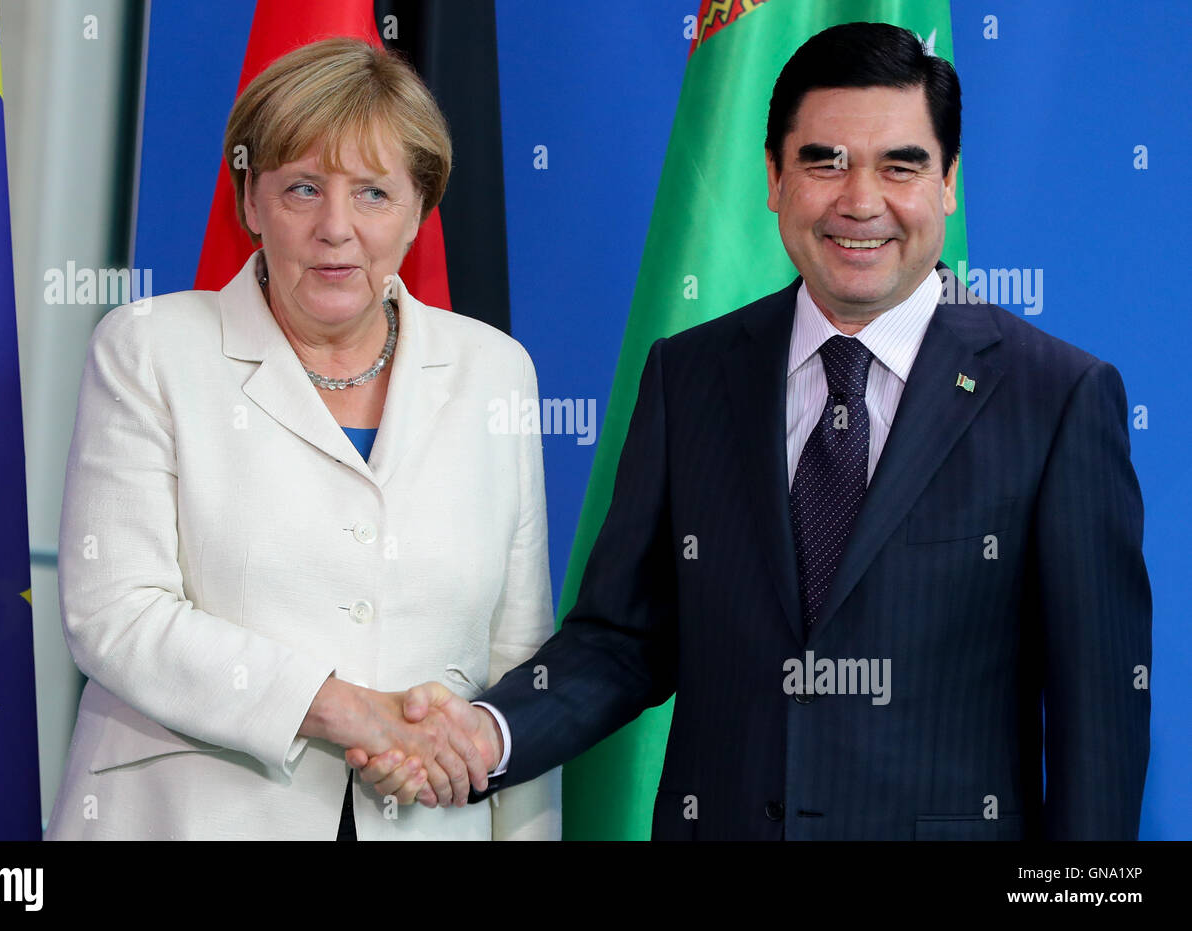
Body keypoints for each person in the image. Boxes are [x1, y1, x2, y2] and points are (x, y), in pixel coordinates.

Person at [350, 22, 1152, 840]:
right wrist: (488, 731)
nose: (860, 200)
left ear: (948, 182)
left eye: (900, 165)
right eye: (824, 160)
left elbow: (1099, 724)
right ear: (774, 177)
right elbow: (623, 638)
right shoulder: (689, 376)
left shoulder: (1057, 398)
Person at [44, 37, 560, 840]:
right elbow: (117, 610)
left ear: (420, 210)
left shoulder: (497, 371)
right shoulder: (148, 348)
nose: (335, 228)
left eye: (374, 194)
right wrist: (346, 710)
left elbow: (521, 658)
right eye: (303, 189)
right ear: (250, 202)